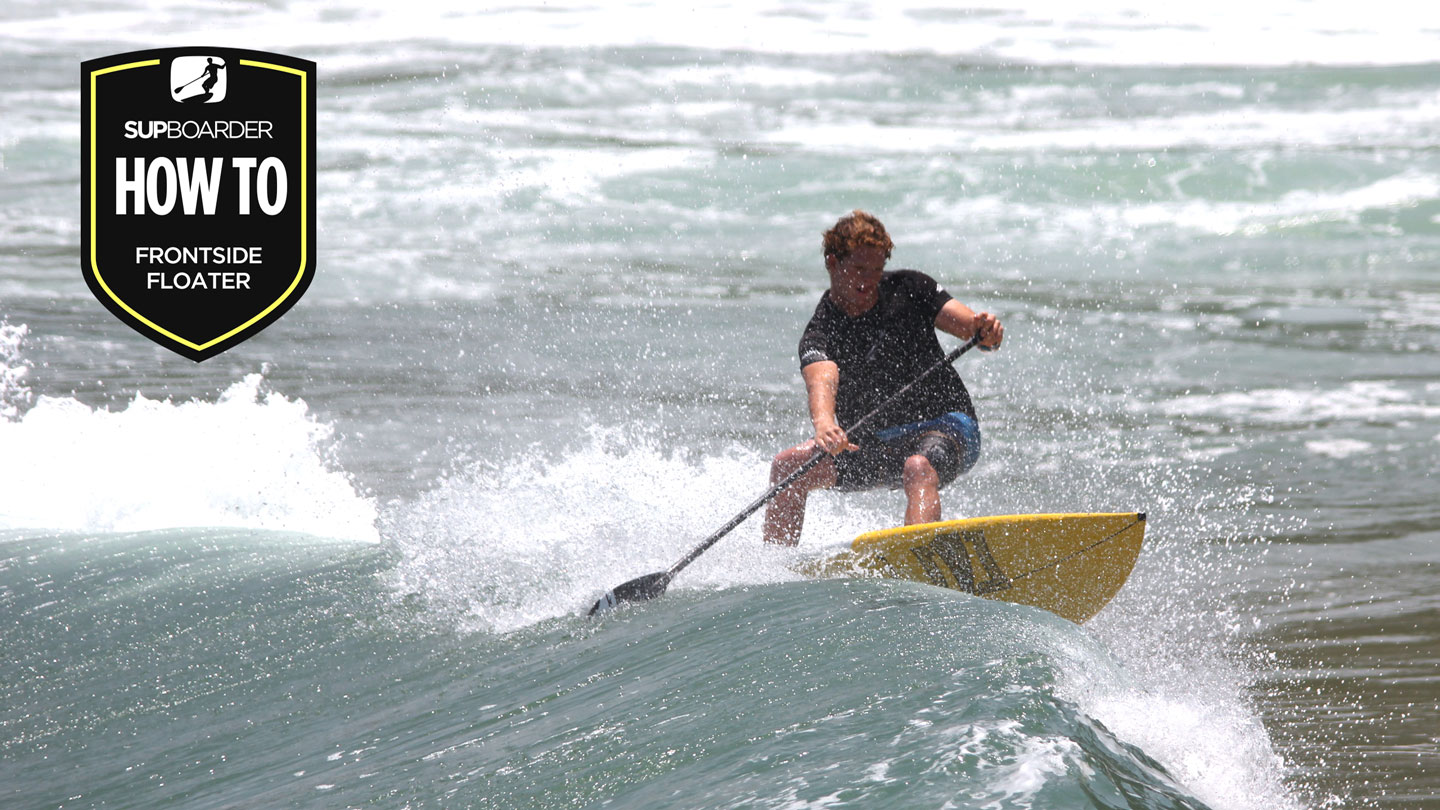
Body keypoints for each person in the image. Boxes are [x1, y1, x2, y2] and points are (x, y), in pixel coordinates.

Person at [761, 210, 1004, 545]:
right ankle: (776, 570)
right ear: (833, 263)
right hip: (875, 441)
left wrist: (984, 330)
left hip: (947, 426)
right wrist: (824, 424)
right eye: (859, 269)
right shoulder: (822, 330)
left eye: (876, 269)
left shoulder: (910, 288)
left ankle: (917, 560)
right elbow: (822, 379)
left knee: (918, 466)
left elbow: (968, 325)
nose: (868, 280)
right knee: (788, 467)